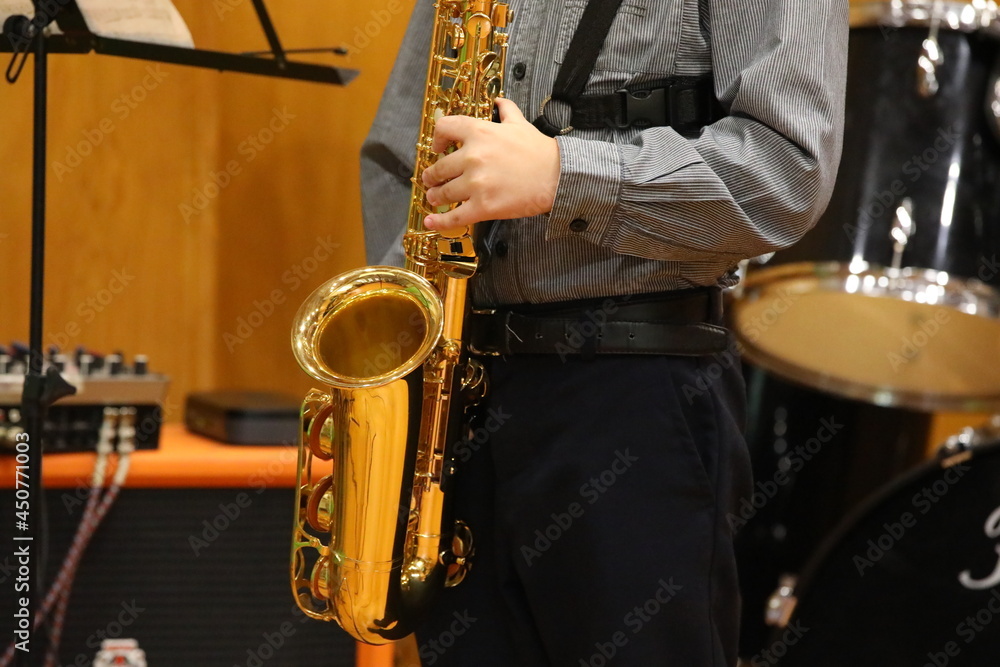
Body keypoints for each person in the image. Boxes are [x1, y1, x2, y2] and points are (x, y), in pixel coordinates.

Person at [361, 0, 848, 664]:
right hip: (461, 404)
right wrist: (396, 360)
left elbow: (789, 170)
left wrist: (564, 176)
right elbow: (402, 153)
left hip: (634, 397)